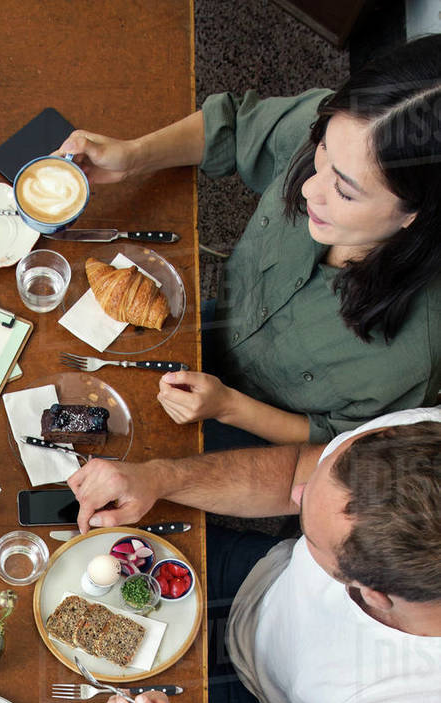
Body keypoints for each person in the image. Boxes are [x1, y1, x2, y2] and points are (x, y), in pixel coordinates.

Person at [58, 35, 441, 447]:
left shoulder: (415, 354)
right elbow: (235, 127)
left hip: (254, 427)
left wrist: (227, 407)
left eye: (345, 191)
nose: (310, 188)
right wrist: (133, 156)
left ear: (418, 211)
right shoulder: (352, 129)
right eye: (322, 149)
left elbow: (336, 444)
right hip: (205, 322)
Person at [69, 406, 441, 703]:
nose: (299, 496)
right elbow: (293, 475)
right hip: (257, 577)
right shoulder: (412, 445)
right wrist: (159, 478)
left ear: (372, 595)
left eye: (311, 535)